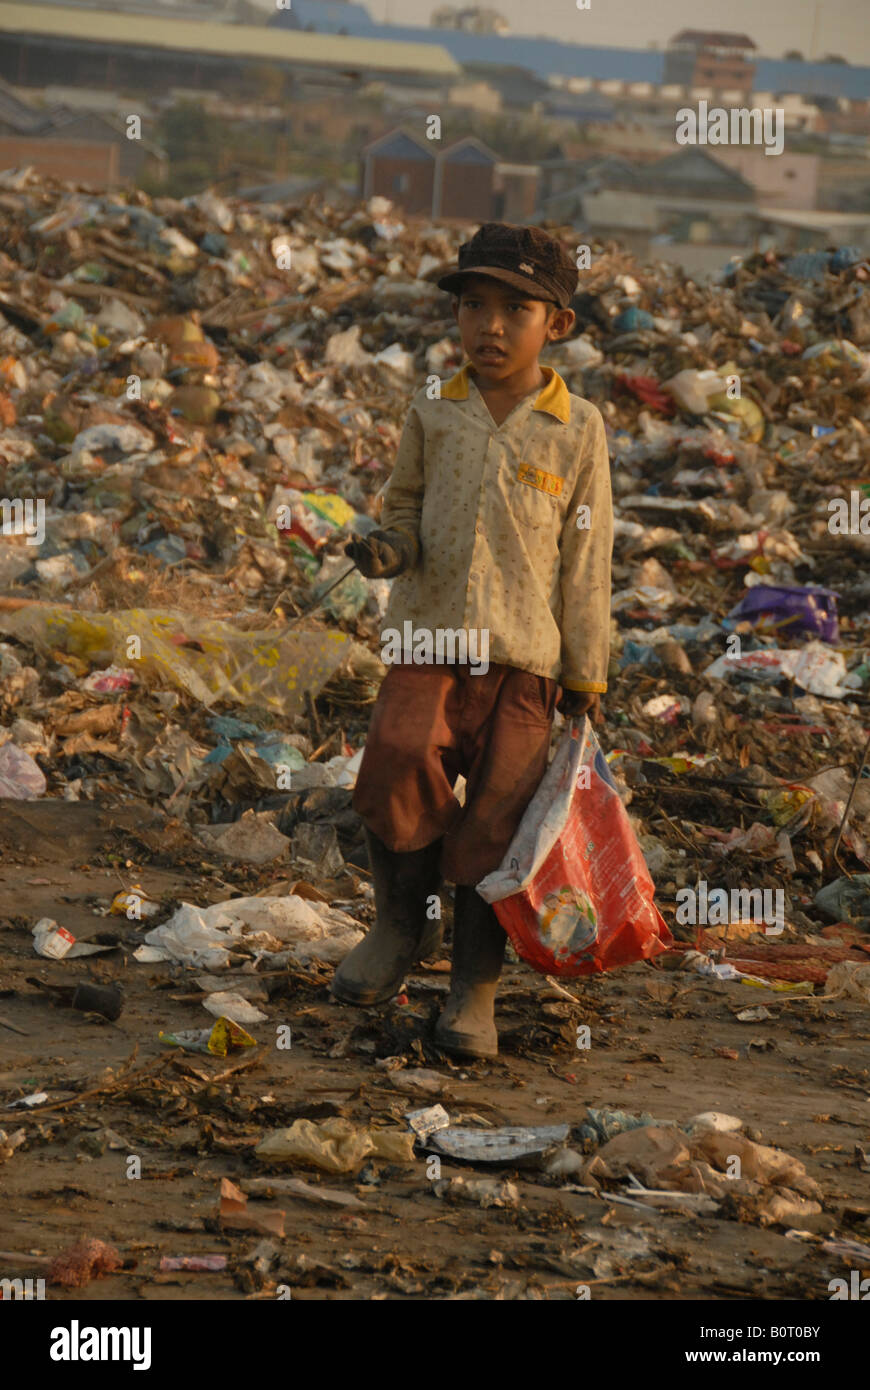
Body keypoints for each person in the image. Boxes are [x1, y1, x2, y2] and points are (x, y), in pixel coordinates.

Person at [330, 222, 613, 1059]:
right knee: (395, 757)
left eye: (514, 309)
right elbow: (405, 506)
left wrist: (587, 673)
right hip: (426, 639)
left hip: (526, 658)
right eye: (474, 307)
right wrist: (390, 546)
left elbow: (587, 557)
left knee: (499, 816)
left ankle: (474, 992)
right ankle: (396, 927)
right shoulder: (434, 409)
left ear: (555, 325)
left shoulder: (578, 427)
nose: (489, 326)